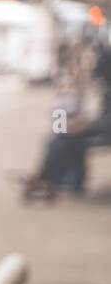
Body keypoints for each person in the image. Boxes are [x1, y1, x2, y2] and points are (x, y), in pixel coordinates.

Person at [23, 39, 111, 200]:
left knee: (62, 137)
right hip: (84, 117)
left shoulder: (86, 78)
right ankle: (52, 180)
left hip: (102, 126)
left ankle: (45, 181)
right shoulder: (74, 79)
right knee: (59, 134)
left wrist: (87, 124)